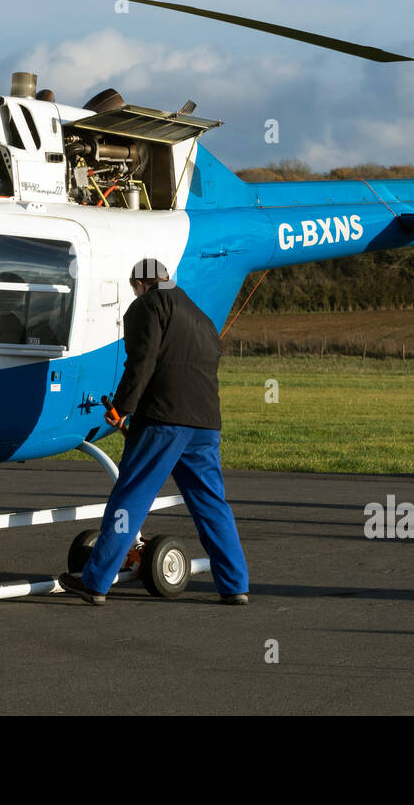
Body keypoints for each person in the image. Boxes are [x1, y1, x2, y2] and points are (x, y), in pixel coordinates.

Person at [58, 258, 250, 605]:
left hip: (163, 421)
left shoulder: (148, 305)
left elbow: (141, 361)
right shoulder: (202, 317)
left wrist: (122, 409)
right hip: (205, 423)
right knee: (211, 504)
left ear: (142, 283)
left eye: (135, 287)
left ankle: (96, 582)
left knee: (129, 499)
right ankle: (235, 584)